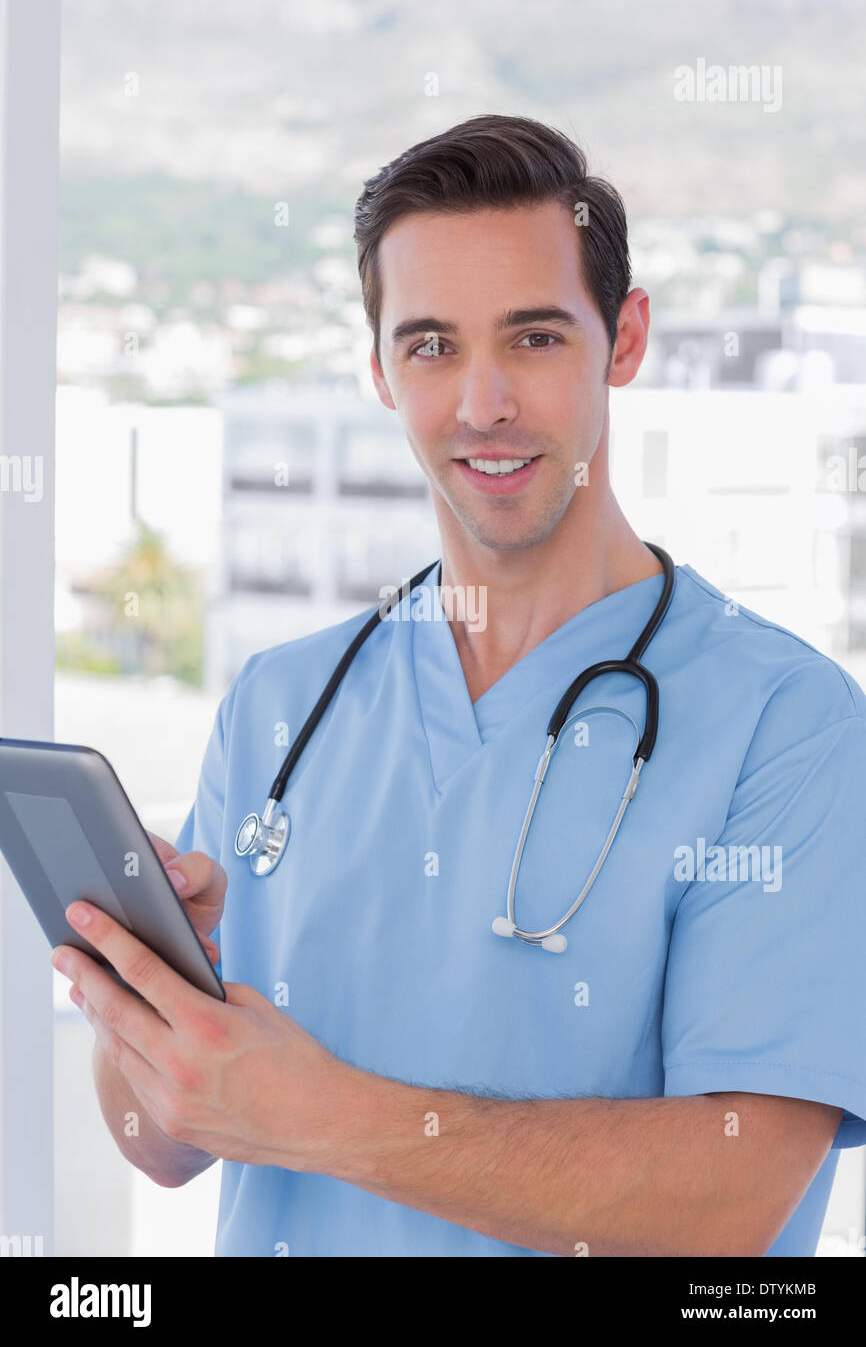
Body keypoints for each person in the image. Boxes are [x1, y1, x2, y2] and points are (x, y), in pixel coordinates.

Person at [55, 113, 866, 1257]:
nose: (481, 401)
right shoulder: (280, 708)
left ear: (623, 340)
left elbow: (723, 1204)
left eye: (532, 338)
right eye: (430, 344)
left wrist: (318, 1114)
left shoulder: (787, 726)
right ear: (379, 369)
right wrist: (139, 1005)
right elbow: (161, 1143)